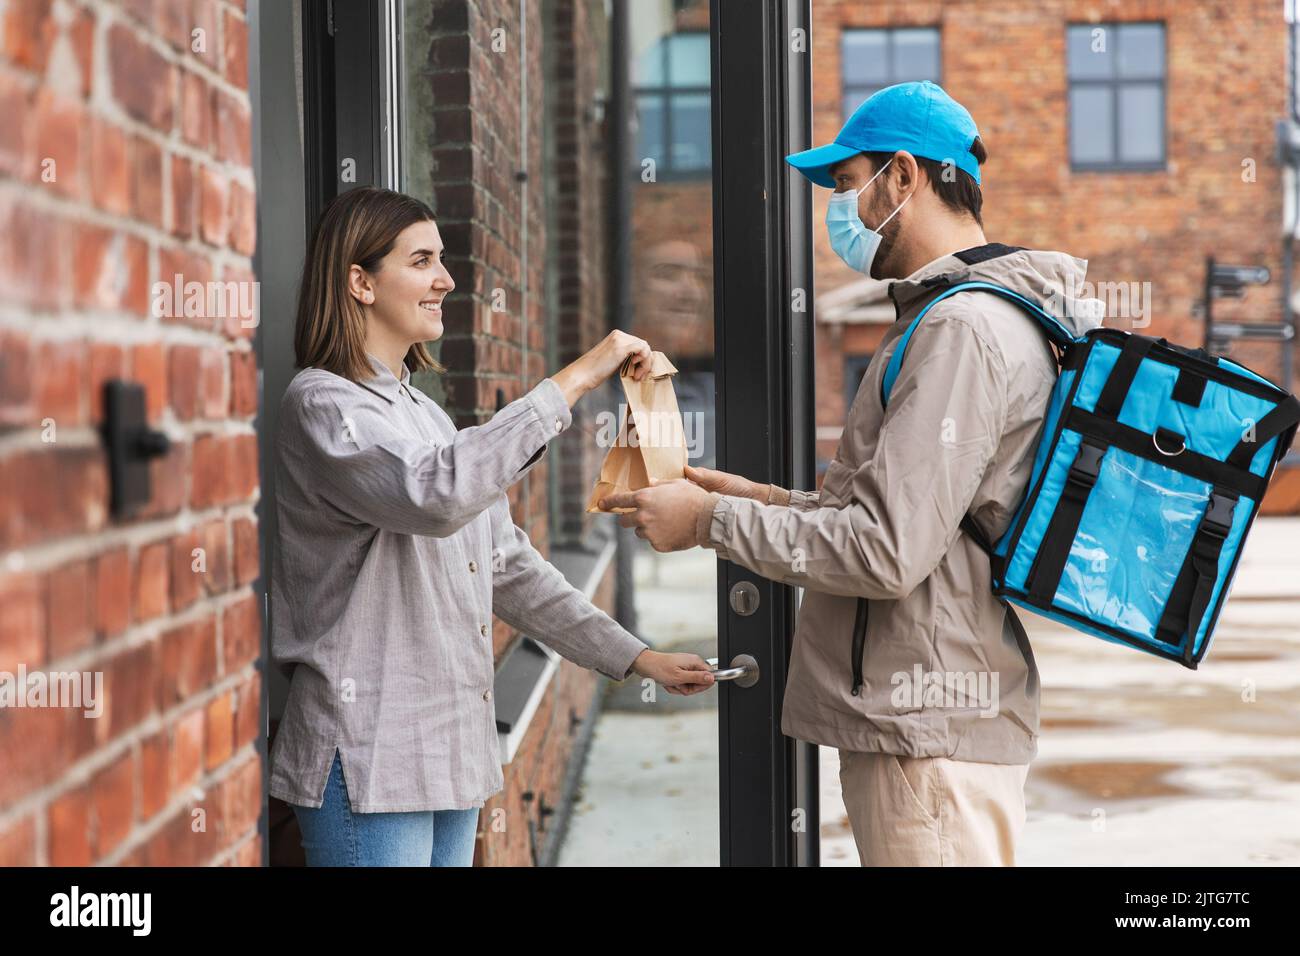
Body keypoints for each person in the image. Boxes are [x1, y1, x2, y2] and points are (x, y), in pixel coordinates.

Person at [602, 81, 1103, 866]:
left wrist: (707, 525)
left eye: (847, 184)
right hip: (927, 722)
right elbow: (905, 517)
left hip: (925, 735)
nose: (841, 210)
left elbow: (885, 552)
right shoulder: (952, 318)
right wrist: (751, 498)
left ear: (904, 176)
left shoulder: (963, 330)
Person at [269, 186, 715, 867]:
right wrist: (579, 375)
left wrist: (634, 655)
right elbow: (435, 492)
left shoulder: (429, 418)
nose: (445, 280)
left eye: (441, 260)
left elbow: (509, 567)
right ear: (360, 281)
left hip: (449, 755)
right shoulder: (323, 404)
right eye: (421, 261)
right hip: (367, 756)